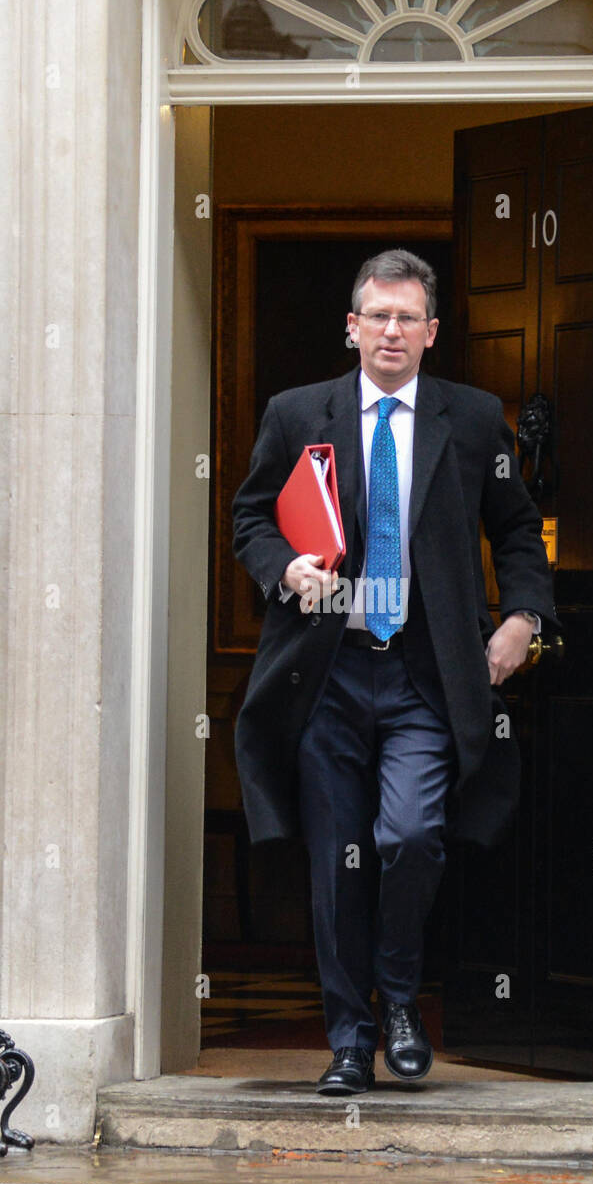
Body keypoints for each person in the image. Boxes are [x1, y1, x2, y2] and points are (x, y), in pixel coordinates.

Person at [232, 248, 559, 1095]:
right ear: (352, 326)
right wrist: (284, 570)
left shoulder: (476, 419)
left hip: (424, 674)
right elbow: (250, 519)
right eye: (376, 315)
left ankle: (401, 996)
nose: (390, 330)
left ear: (431, 332)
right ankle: (349, 1039)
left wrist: (523, 619)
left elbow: (517, 530)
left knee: (410, 836)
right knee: (334, 859)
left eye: (406, 317)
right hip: (326, 673)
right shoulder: (298, 412)